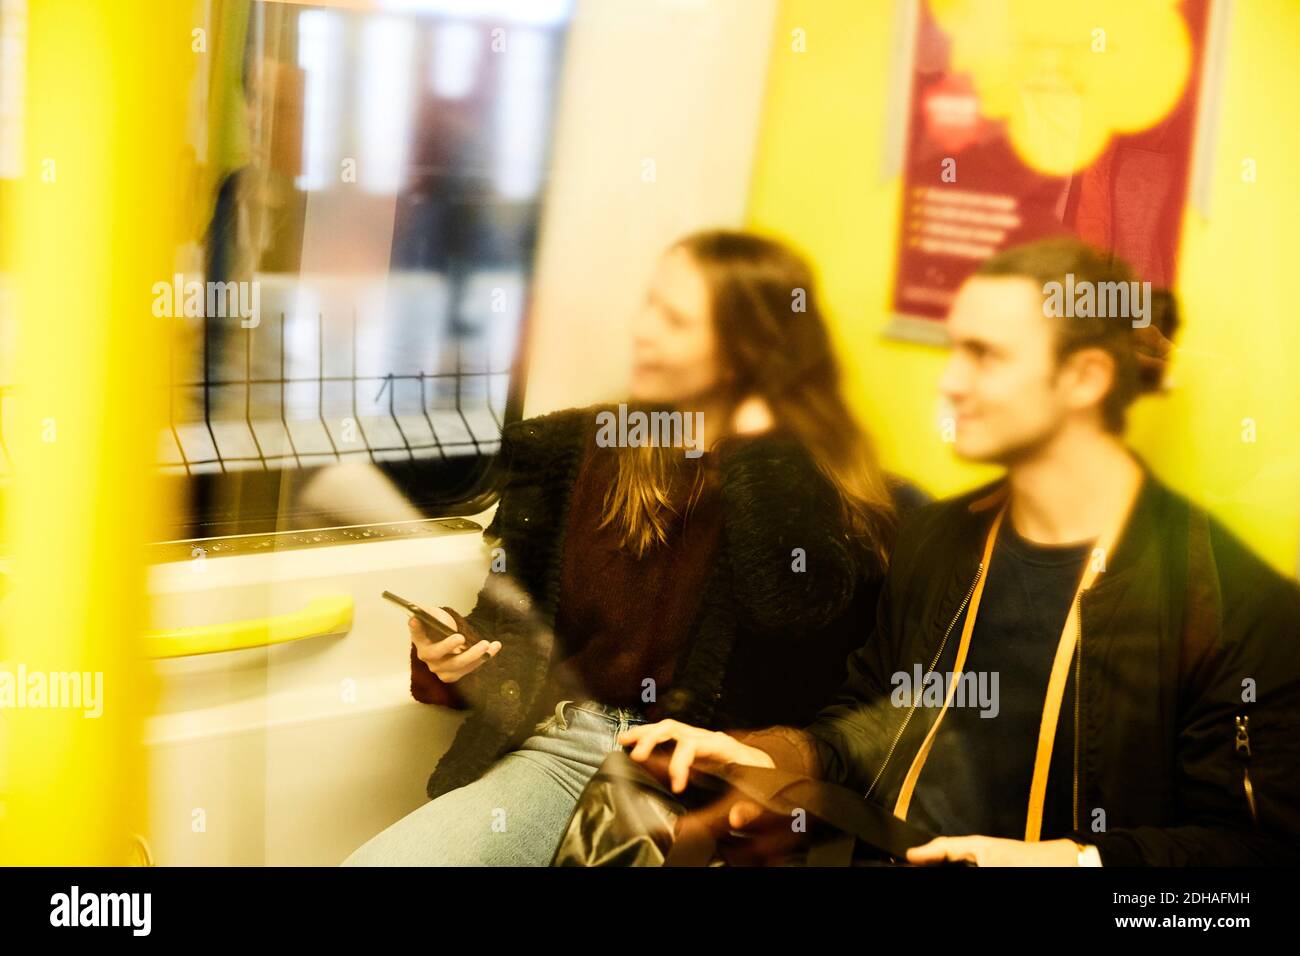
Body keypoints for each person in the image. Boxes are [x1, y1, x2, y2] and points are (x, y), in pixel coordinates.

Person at [621, 237, 1300, 866]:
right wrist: (763, 758)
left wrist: (1070, 862)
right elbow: (864, 730)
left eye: (988, 356)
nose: (950, 382)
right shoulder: (939, 539)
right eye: (954, 349)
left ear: (1087, 379)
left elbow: (1248, 856)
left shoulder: (1231, 602)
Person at [343, 229, 926, 866]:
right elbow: (515, 632)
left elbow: (790, 610)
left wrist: (761, 440)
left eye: (674, 320)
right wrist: (458, 657)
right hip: (567, 749)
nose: (643, 331)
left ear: (748, 350)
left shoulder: (832, 494)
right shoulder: (573, 455)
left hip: (712, 786)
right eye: (649, 305)